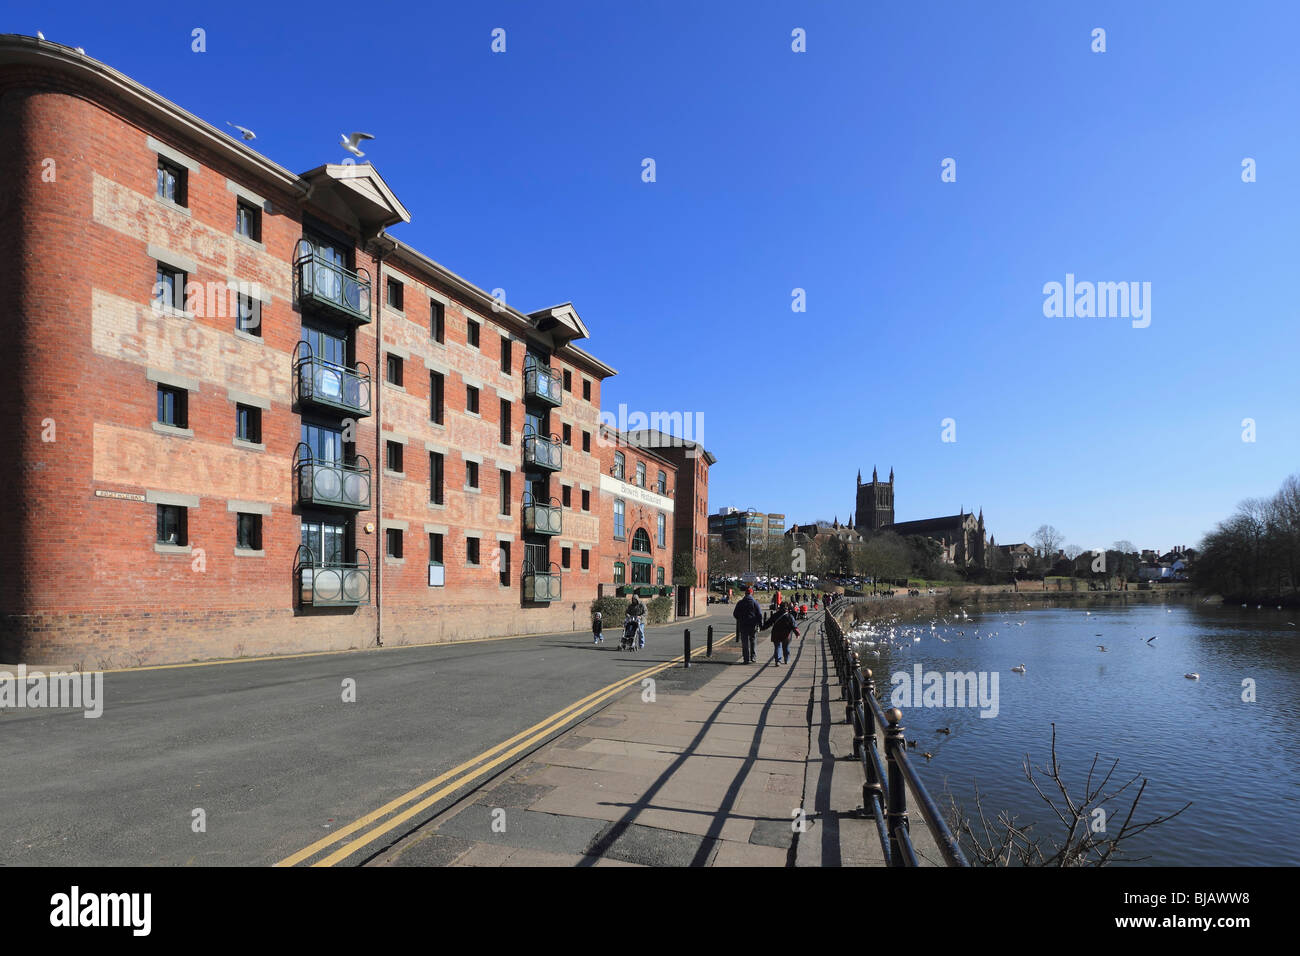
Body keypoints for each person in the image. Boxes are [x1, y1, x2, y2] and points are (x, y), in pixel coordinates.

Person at [732, 587, 763, 664]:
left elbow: (735, 614)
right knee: (753, 641)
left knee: (744, 642)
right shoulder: (755, 602)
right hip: (753, 625)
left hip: (743, 625)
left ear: (745, 593)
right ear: (752, 593)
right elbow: (759, 614)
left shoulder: (740, 602)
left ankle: (746, 659)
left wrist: (740, 619)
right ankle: (753, 657)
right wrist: (760, 624)